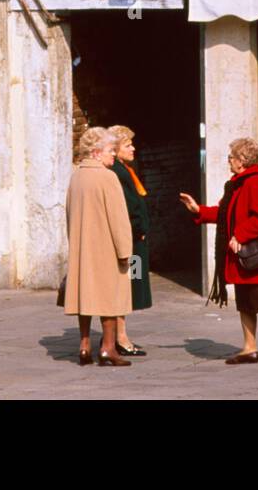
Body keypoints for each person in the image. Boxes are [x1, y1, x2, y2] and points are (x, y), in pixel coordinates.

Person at [179, 136, 258, 366]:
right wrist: (198, 210)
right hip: (244, 259)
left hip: (256, 257)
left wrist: (240, 235)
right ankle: (249, 348)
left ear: (242, 160)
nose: (228, 161)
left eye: (231, 157)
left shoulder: (254, 183)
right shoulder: (237, 184)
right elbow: (224, 214)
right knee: (245, 302)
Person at [64, 126, 134, 367]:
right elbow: (118, 219)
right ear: (95, 152)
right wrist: (125, 250)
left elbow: (68, 215)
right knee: (109, 298)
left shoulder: (76, 177)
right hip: (106, 249)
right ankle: (108, 348)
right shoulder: (108, 177)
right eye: (109, 150)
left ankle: (84, 345)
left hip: (83, 249)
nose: (113, 155)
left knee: (85, 296)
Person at [108, 125, 151, 356]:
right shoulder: (119, 172)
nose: (133, 148)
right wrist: (139, 228)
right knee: (126, 286)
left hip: (134, 237)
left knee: (129, 285)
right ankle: (121, 338)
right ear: (115, 149)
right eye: (128, 145)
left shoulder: (125, 169)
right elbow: (128, 205)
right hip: (131, 240)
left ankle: (119, 335)